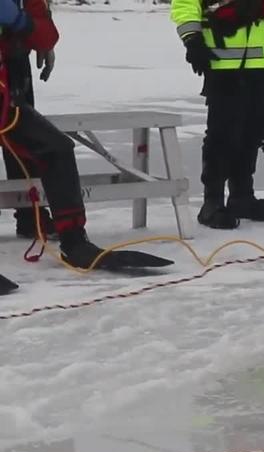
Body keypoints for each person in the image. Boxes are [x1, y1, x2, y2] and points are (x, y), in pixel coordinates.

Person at [0, 0, 172, 289]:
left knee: (57, 148)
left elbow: (46, 35)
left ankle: (74, 241)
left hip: (7, 95)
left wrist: (22, 23)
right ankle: (33, 220)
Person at [172, 0, 264, 230]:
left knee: (254, 132)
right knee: (223, 135)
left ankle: (242, 197)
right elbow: (185, 4)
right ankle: (212, 202)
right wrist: (192, 39)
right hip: (226, 65)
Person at [1, 0, 53, 239]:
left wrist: (41, 39)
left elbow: (42, 24)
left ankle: (32, 217)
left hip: (13, 68)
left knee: (22, 144)